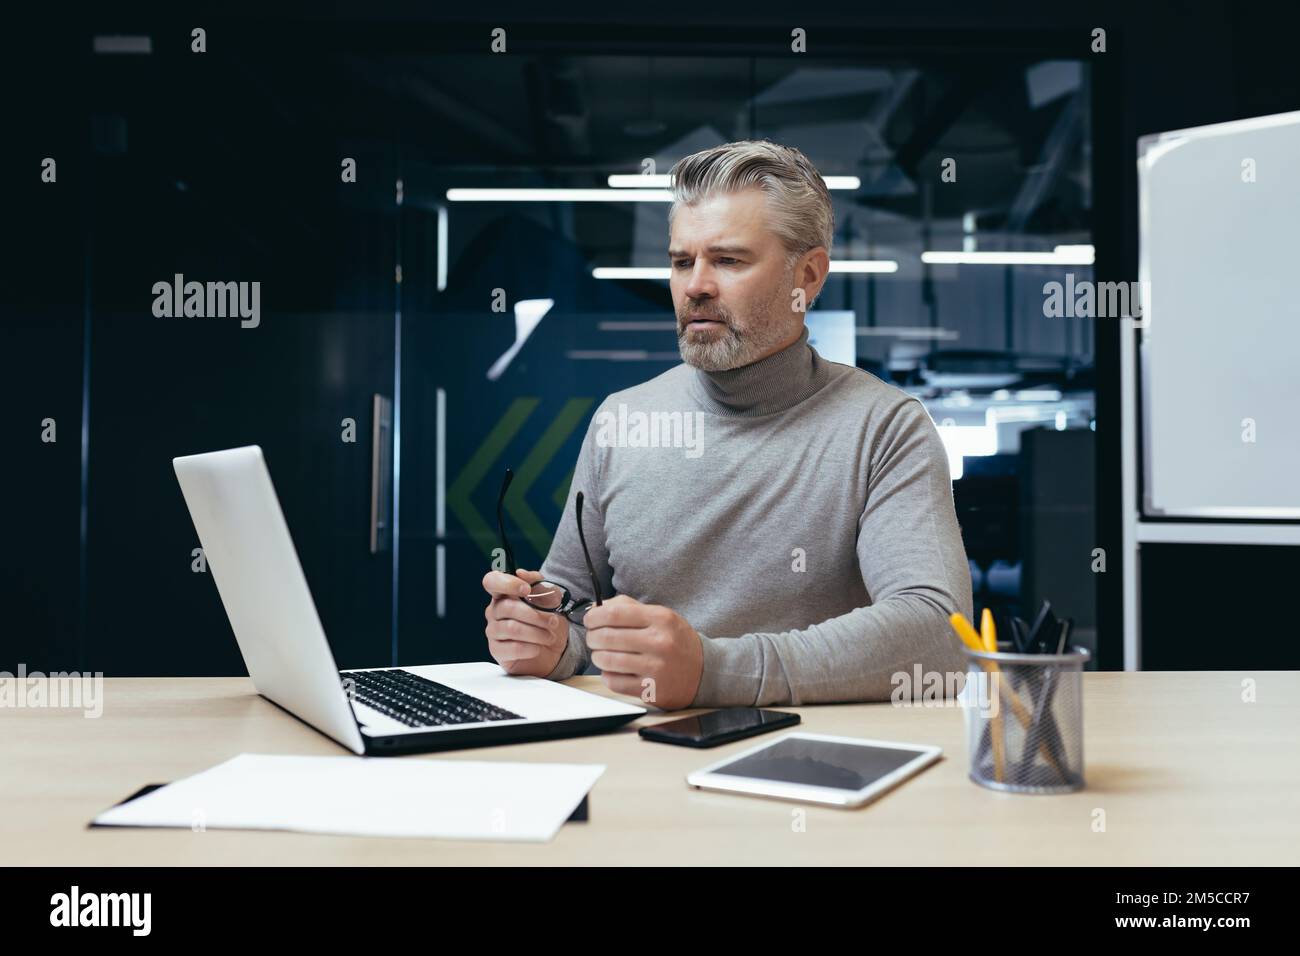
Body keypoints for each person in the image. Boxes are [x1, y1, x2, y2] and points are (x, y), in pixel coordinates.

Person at [482, 139, 972, 710]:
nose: (695, 286)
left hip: (819, 768)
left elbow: (940, 634)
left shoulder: (885, 428)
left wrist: (712, 670)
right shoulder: (621, 420)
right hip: (644, 759)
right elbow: (574, 612)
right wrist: (547, 639)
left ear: (807, 277)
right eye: (681, 261)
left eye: (729, 260)